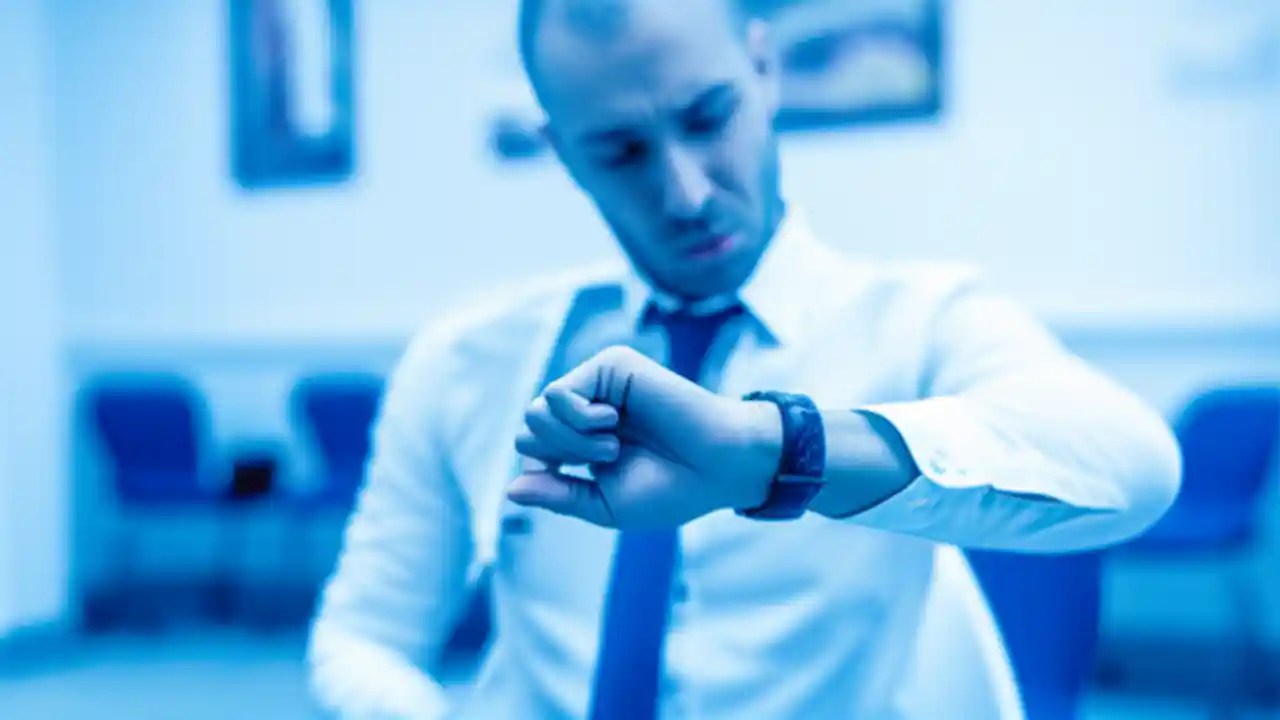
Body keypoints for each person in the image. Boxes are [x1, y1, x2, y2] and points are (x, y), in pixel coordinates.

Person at [307, 0, 1181, 717]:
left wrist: (777, 451)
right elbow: (362, 635)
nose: (685, 192)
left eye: (707, 117)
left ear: (764, 69)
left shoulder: (917, 322)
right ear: (563, 152)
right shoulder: (469, 357)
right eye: (621, 151)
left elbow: (1134, 465)